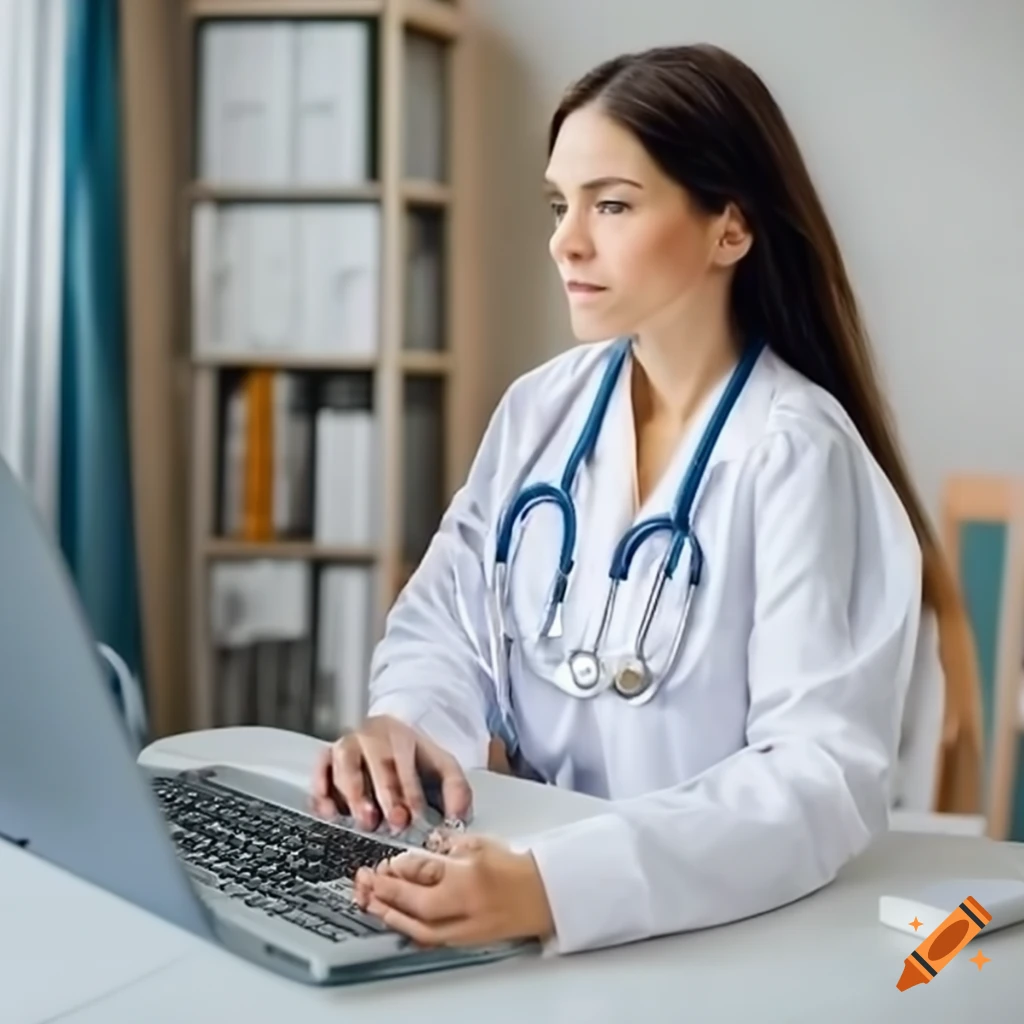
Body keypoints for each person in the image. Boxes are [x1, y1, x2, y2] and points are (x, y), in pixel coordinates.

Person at [311, 42, 969, 957]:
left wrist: (558, 886)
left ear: (729, 229)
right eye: (559, 204)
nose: (565, 240)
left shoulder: (796, 454)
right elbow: (445, 624)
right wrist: (407, 728)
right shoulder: (543, 410)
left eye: (611, 205)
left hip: (720, 933)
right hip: (508, 892)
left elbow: (817, 778)